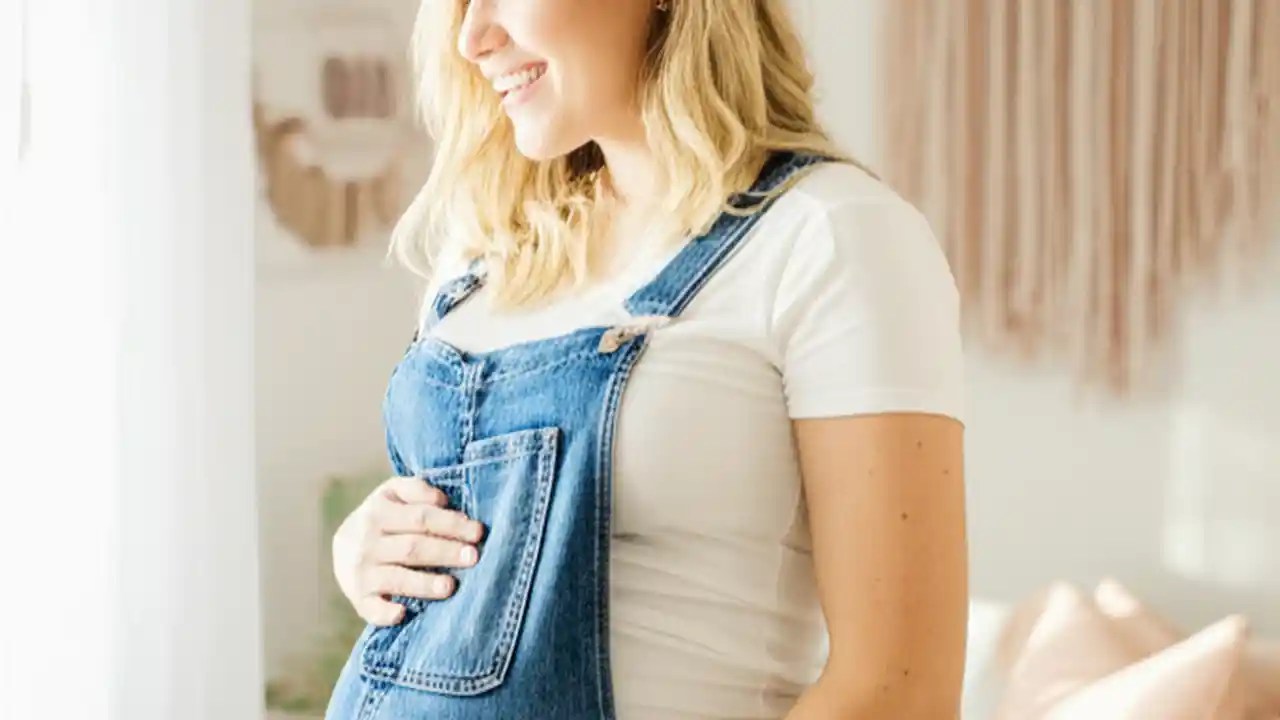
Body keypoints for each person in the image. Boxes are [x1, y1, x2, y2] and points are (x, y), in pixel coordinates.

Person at [325, 1, 968, 718]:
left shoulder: (831, 236)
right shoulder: (482, 257)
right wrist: (366, 550)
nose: (473, 38)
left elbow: (897, 690)